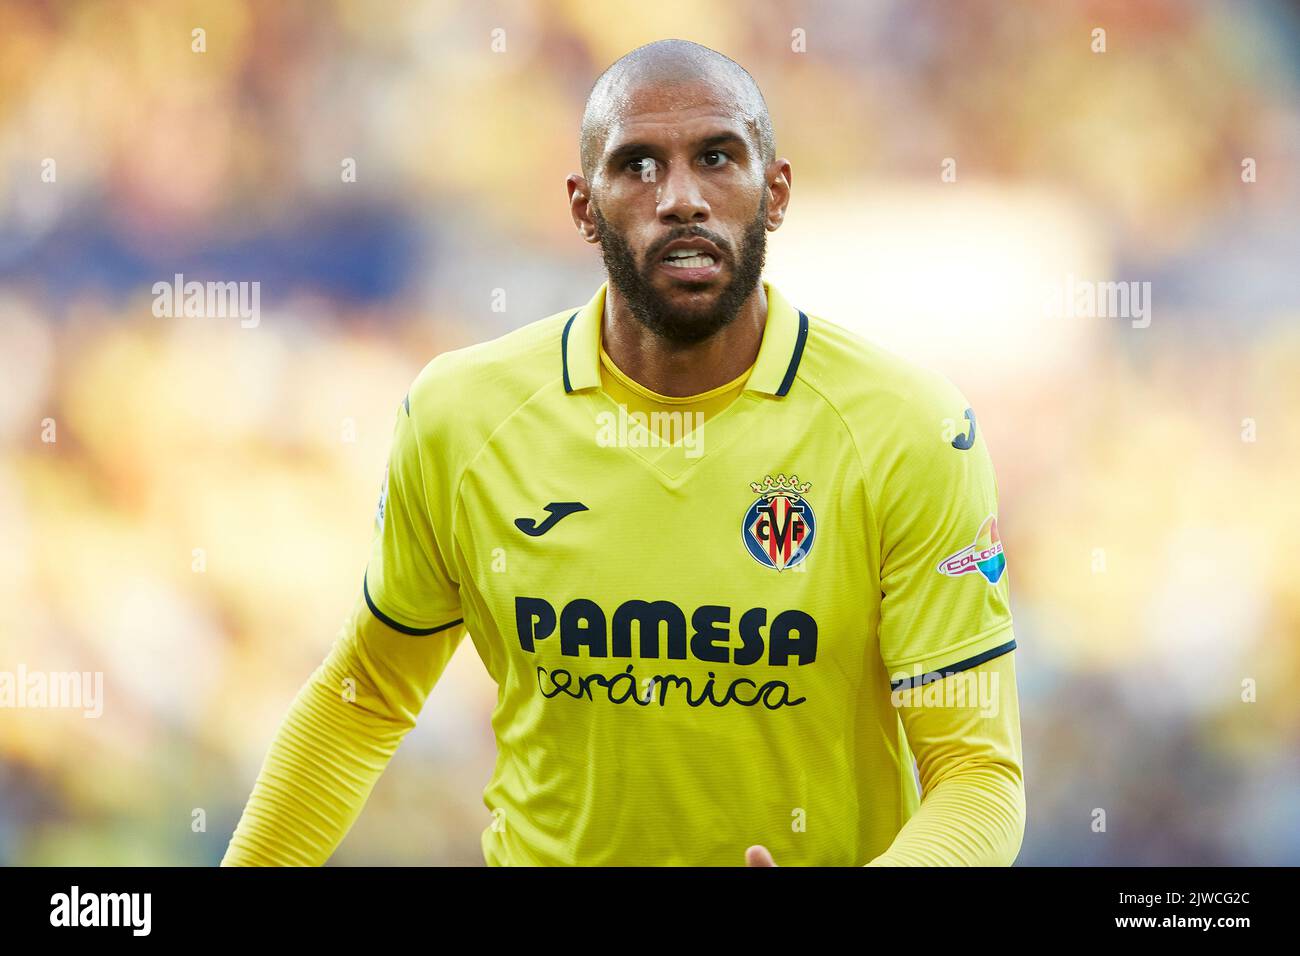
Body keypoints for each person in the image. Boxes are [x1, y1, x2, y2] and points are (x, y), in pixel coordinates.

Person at [222, 38, 1025, 867]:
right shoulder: (462, 416)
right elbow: (365, 698)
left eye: (717, 157)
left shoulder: (908, 429)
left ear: (775, 192)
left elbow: (977, 775)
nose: (681, 198)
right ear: (582, 207)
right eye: (637, 164)